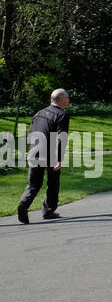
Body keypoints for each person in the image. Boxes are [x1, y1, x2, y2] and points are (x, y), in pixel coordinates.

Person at [16, 88, 72, 224]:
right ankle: (48, 210)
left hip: (34, 150)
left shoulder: (39, 113)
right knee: (53, 182)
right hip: (50, 152)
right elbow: (61, 138)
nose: (69, 99)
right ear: (61, 100)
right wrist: (59, 159)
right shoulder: (62, 115)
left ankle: (24, 204)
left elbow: (31, 131)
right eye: (67, 97)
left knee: (34, 183)